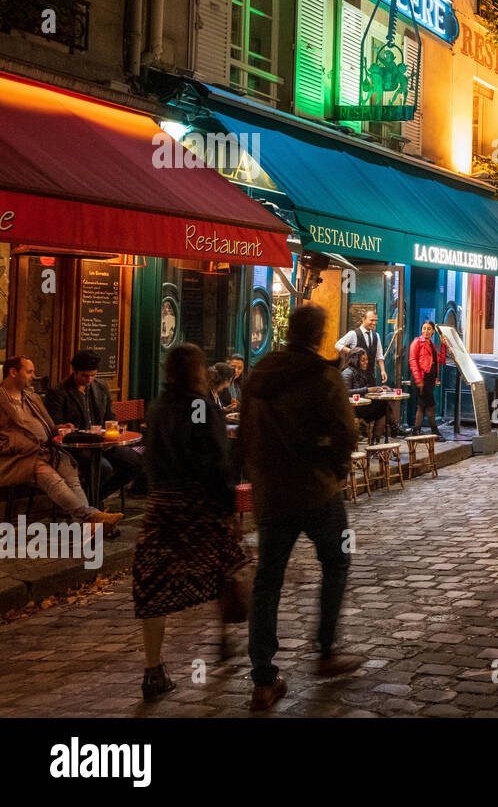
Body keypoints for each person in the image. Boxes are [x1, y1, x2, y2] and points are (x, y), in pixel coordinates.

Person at [242, 303, 363, 712]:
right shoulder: (323, 375)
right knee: (338, 560)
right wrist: (338, 467)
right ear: (317, 335)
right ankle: (326, 650)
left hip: (272, 492)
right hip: (316, 490)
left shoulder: (260, 374)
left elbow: (244, 435)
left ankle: (262, 677)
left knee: (267, 581)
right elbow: (346, 432)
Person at [132, 343, 246, 701]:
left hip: (162, 507)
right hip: (198, 505)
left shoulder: (159, 406)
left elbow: (151, 458)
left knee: (153, 585)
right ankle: (233, 644)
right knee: (225, 570)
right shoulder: (201, 406)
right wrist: (229, 506)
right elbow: (216, 460)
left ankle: (153, 669)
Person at [0, 356, 123, 532]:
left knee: (69, 470)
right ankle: (91, 517)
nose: (34, 376)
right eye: (29, 372)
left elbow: (49, 425)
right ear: (13, 372)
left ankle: (89, 524)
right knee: (48, 475)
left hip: (46, 451)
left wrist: (60, 428)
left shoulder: (31, 397)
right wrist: (15, 445)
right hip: (16, 459)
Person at [44, 350, 143, 500]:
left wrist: (113, 429)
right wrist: (63, 427)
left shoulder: (101, 386)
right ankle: (89, 504)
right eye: (85, 375)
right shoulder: (58, 392)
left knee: (137, 463)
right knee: (104, 469)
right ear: (74, 371)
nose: (89, 379)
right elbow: (54, 426)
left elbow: (110, 416)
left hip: (103, 442)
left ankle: (95, 498)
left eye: (93, 375)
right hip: (76, 446)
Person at [408, 321, 445, 438]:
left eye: (429, 329)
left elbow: (441, 360)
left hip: (430, 380)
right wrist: (418, 380)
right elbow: (413, 361)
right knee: (431, 406)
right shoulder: (417, 342)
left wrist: (443, 345)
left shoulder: (432, 345)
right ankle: (434, 431)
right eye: (424, 328)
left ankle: (416, 430)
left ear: (433, 331)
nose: (426, 331)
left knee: (421, 405)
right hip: (421, 379)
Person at [341, 348, 387, 442]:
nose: (366, 362)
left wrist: (379, 389)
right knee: (383, 406)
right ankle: (375, 443)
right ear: (355, 360)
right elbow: (345, 392)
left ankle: (376, 443)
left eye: (366, 359)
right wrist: (367, 390)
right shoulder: (347, 373)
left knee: (383, 405)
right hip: (353, 408)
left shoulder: (360, 372)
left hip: (361, 406)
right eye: (363, 360)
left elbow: (365, 390)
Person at [334, 309, 388, 385]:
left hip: (370, 376)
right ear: (363, 319)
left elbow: (379, 356)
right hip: (356, 377)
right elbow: (338, 345)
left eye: (376, 320)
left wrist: (383, 371)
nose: (374, 323)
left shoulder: (377, 336)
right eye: (371, 320)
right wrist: (353, 352)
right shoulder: (353, 334)